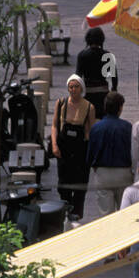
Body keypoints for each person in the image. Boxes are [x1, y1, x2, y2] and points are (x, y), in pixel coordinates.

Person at [51, 75, 94, 222]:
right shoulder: (61, 103)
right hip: (64, 149)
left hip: (80, 149)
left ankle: (77, 213)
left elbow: (89, 131)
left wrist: (90, 152)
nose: (73, 90)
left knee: (80, 183)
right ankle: (65, 211)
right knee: (63, 183)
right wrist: (54, 145)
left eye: (76, 86)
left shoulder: (89, 107)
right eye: (71, 87)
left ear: (81, 88)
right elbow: (54, 125)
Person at [86, 90, 133, 217]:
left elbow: (90, 154)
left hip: (103, 173)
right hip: (124, 173)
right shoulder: (128, 127)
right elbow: (133, 152)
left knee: (105, 214)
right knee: (125, 212)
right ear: (120, 108)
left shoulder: (96, 128)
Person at [75, 25, 117, 119]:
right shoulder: (107, 55)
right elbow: (114, 78)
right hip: (103, 92)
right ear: (102, 39)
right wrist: (114, 89)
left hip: (87, 92)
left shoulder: (82, 55)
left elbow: (78, 75)